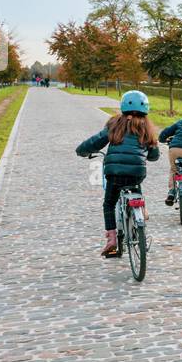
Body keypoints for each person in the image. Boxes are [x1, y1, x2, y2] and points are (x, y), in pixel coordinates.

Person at [76, 90, 159, 257]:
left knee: (109, 204)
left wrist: (82, 151)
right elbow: (154, 155)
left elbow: (95, 142)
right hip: (137, 172)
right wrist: (147, 154)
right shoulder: (147, 128)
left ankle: (112, 239)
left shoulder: (114, 124)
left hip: (114, 173)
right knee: (135, 184)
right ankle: (141, 209)